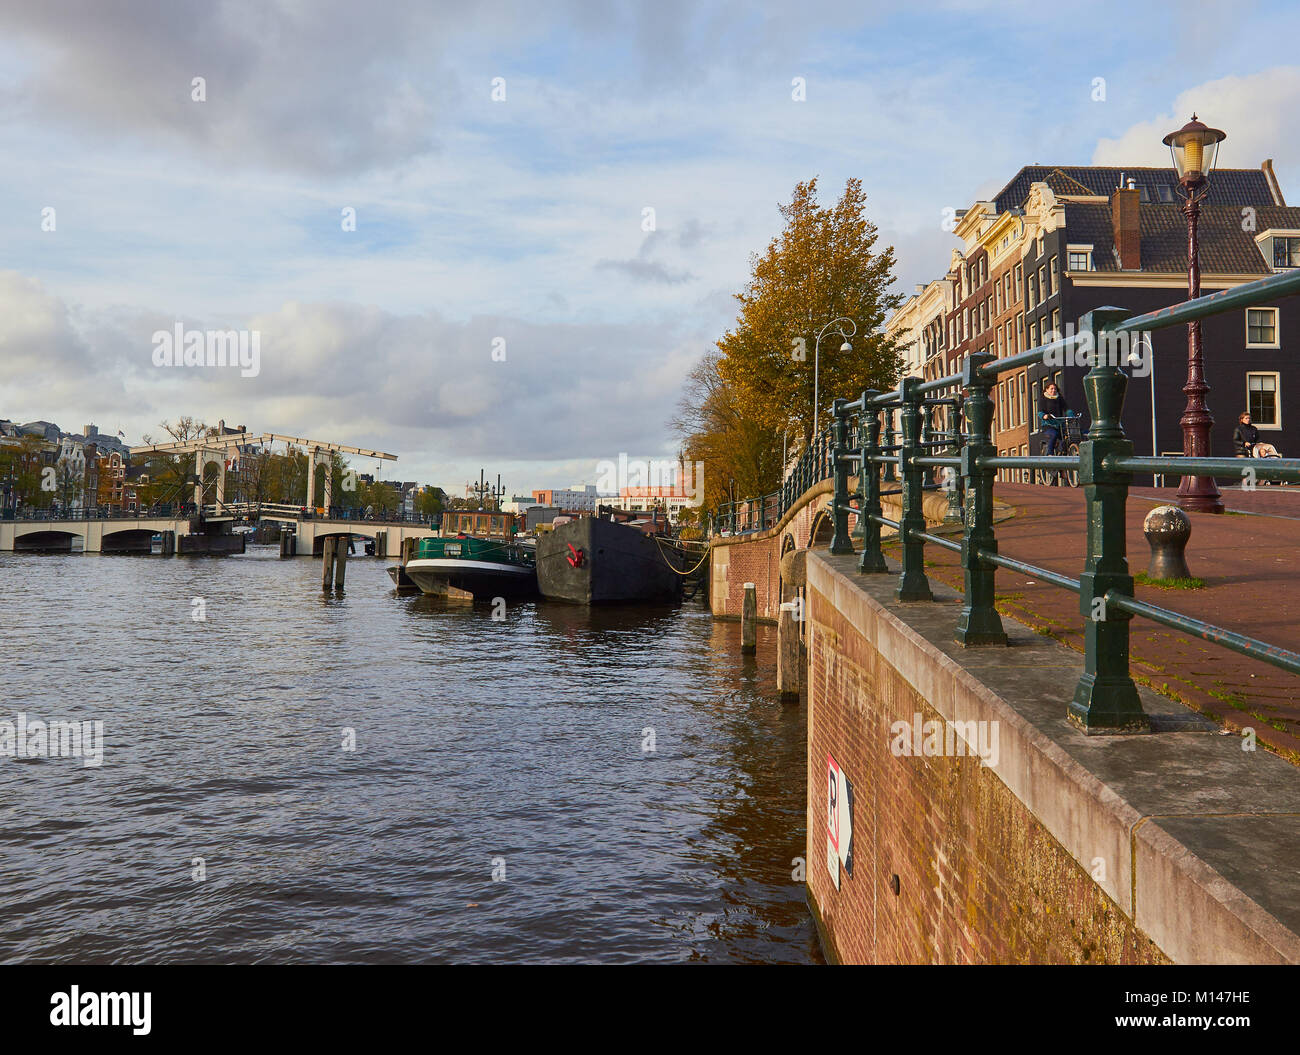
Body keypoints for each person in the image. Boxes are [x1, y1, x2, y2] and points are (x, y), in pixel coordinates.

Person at [1039, 382, 1068, 456]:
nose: (1053, 390)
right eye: (1051, 389)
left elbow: (1066, 408)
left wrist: (1070, 414)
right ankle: (1050, 454)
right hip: (1048, 425)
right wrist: (1044, 416)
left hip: (1059, 424)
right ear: (1047, 390)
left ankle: (1064, 452)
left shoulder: (1059, 398)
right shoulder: (1043, 399)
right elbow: (1040, 412)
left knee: (1067, 436)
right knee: (1054, 435)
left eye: (1055, 389)